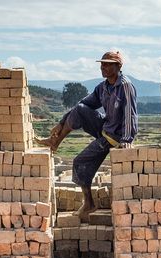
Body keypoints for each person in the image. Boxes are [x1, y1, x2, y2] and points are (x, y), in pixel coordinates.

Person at [38, 50, 138, 222]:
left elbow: (130, 114)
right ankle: (55, 142)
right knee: (81, 109)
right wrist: (62, 122)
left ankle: (89, 203)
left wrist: (126, 140)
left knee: (79, 161)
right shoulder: (103, 87)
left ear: (118, 66)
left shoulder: (125, 86)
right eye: (102, 64)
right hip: (105, 128)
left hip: (114, 136)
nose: (103, 67)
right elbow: (82, 104)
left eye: (107, 64)